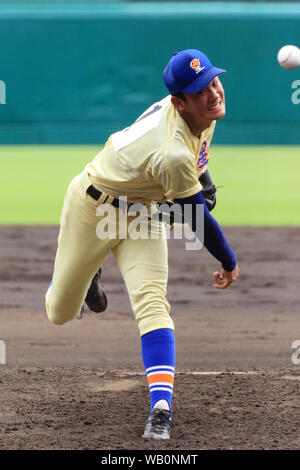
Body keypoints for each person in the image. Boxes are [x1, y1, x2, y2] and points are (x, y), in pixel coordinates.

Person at [46, 48, 239, 440]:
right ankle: (89, 276)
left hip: (143, 213)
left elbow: (193, 158)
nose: (214, 93)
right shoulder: (170, 154)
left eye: (214, 81)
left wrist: (198, 179)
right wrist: (229, 262)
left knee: (152, 302)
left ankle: (160, 409)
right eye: (202, 90)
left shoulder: (203, 115)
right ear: (179, 102)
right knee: (60, 312)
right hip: (91, 206)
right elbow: (197, 220)